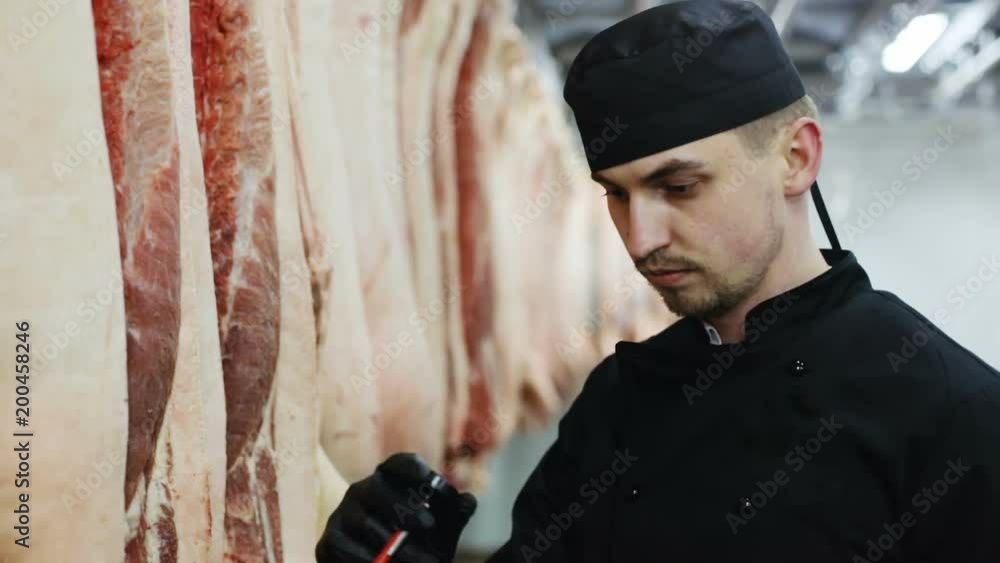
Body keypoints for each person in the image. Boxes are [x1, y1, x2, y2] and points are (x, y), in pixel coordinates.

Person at [316, 1, 1000, 561]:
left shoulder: (951, 410)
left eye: (679, 186)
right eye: (617, 195)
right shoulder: (618, 400)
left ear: (796, 158)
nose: (640, 239)